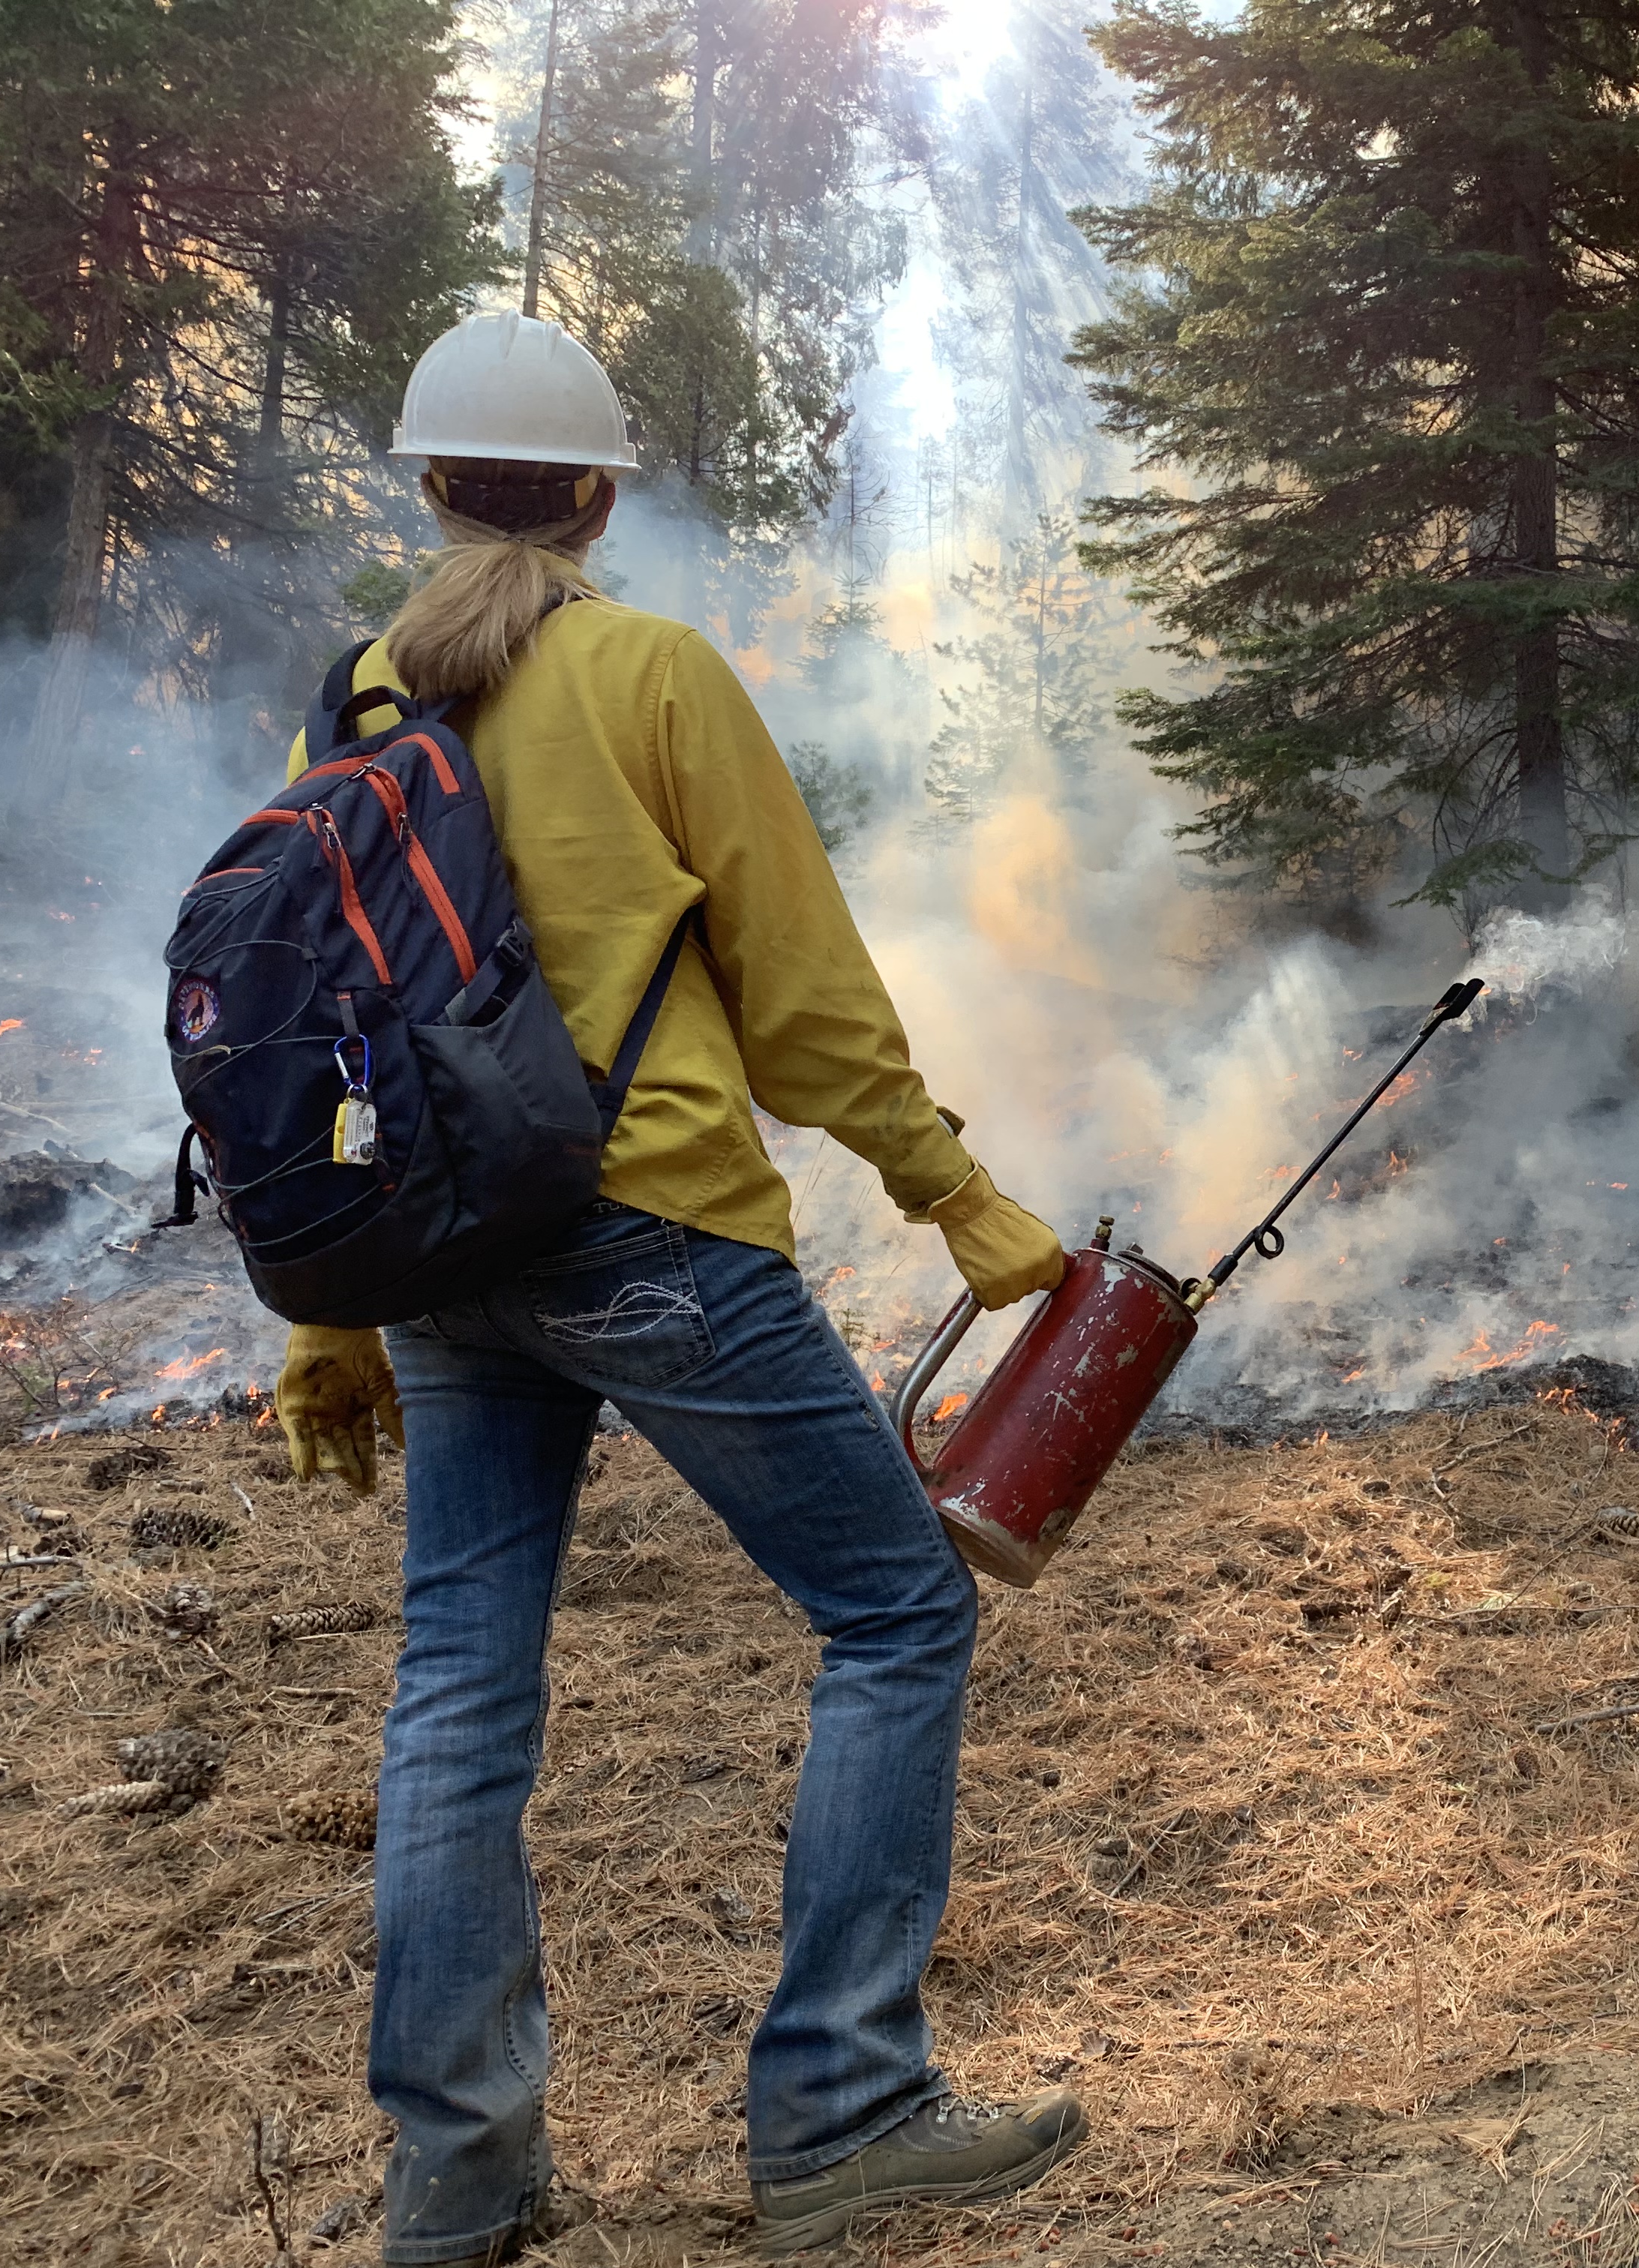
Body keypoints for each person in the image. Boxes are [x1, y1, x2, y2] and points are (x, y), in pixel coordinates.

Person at [266, 310, 1087, 2267]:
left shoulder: (357, 700)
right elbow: (802, 1004)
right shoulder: (648, 671)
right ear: (602, 496)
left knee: (461, 1695)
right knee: (895, 1615)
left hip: (449, 1258)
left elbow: (306, 1012)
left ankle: (456, 2183)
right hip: (652, 1235)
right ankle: (845, 2111)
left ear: (430, 480)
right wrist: (961, 1202)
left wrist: (326, 1311)